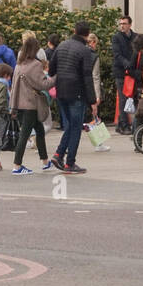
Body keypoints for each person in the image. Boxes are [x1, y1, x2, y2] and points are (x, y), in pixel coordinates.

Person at [49, 21, 98, 174]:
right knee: (76, 127)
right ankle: (70, 162)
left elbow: (51, 69)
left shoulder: (62, 46)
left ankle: (59, 154)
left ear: (74, 30)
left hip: (61, 90)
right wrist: (92, 100)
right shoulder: (85, 51)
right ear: (87, 33)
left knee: (70, 125)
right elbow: (87, 77)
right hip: (77, 92)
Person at [9, 35, 56, 174]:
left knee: (39, 131)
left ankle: (45, 161)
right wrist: (55, 78)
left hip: (20, 103)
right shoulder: (35, 65)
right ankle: (17, 166)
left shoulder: (19, 64)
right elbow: (43, 84)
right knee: (24, 135)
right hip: (31, 104)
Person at [111, 15, 136, 134]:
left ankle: (124, 123)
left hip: (133, 72)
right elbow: (117, 55)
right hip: (121, 72)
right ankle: (124, 125)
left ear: (130, 25)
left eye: (124, 23)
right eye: (121, 23)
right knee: (123, 98)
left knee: (132, 98)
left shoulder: (135, 37)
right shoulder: (116, 37)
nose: (122, 26)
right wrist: (127, 64)